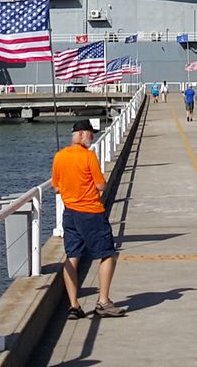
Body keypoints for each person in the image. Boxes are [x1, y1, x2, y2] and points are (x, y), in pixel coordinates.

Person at [52, 118, 125, 318]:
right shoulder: (88, 156)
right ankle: (103, 301)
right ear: (82, 134)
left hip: (70, 214)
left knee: (72, 257)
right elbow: (101, 185)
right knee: (108, 254)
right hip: (91, 213)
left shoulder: (59, 157)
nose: (92, 139)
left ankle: (74, 305)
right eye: (91, 135)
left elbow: (56, 187)